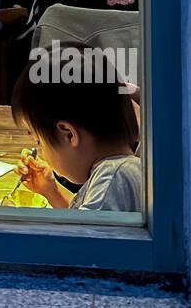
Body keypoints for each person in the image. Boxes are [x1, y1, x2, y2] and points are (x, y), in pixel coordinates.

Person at [10, 58, 142, 212]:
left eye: (39, 141)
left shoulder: (111, 180)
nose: (42, 152)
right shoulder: (121, 171)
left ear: (69, 134)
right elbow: (82, 222)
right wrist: (52, 192)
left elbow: (78, 235)